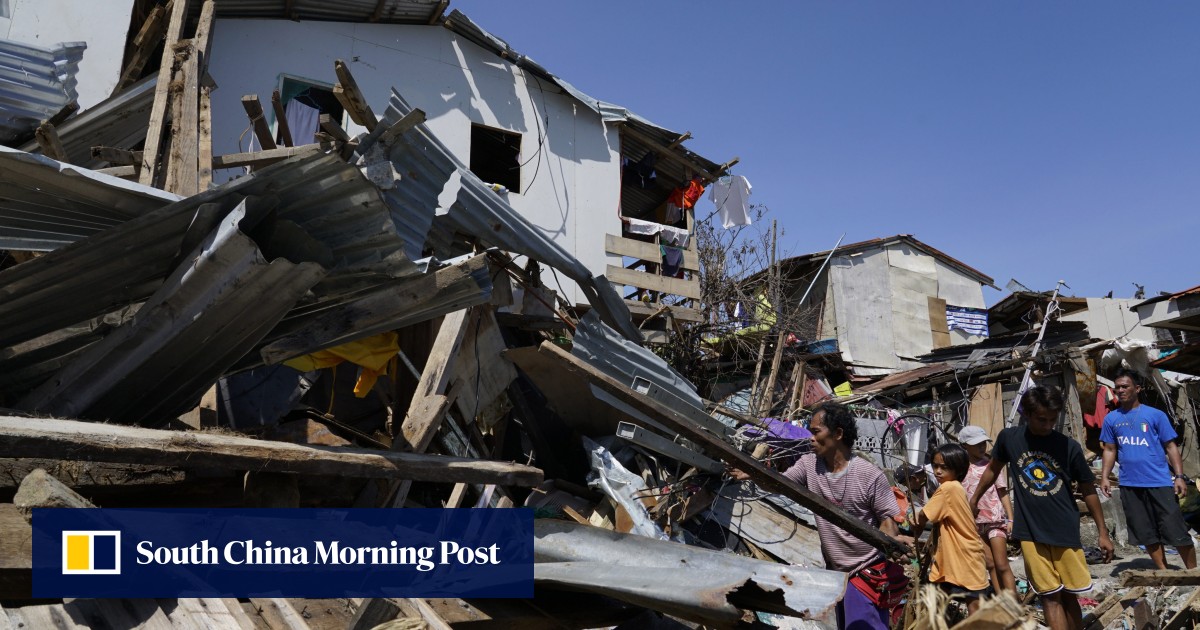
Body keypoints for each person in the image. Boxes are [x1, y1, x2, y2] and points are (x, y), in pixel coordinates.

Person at [732, 402, 908, 629]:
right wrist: (753, 473)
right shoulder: (809, 465)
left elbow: (888, 523)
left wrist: (892, 543)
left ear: (837, 434)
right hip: (836, 575)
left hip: (865, 572)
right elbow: (779, 484)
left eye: (816, 432)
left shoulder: (869, 475)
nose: (810, 438)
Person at [969, 385, 1114, 630]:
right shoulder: (1009, 438)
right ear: (1026, 413)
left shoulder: (1068, 446)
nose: (1047, 425)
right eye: (1041, 419)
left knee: (1070, 594)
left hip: (1064, 529)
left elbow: (1088, 489)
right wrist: (974, 499)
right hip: (1030, 532)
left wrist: (1102, 532)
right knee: (1049, 596)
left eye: (1052, 420)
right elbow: (993, 469)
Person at [1099, 369, 1197, 569]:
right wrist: (1105, 477)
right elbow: (1109, 449)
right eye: (1117, 387)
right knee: (1146, 532)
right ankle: (1164, 572)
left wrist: (1179, 476)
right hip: (1129, 485)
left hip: (1158, 482)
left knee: (1175, 529)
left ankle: (1193, 573)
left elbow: (1171, 447)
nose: (1120, 390)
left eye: (1125, 386)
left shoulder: (1155, 415)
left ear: (1137, 388)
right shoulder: (1111, 419)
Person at [913, 443, 990, 614]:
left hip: (964, 555)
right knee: (950, 599)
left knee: (974, 608)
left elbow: (923, 515)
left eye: (944, 467)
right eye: (935, 466)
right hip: (958, 555)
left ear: (958, 469)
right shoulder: (956, 487)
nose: (938, 471)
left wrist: (912, 522)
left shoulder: (947, 488)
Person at [958, 425, 1017, 594]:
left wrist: (1010, 518)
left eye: (984, 443)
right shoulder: (960, 469)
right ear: (964, 446)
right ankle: (1001, 601)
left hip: (995, 520)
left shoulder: (992, 465)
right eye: (977, 444)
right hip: (974, 523)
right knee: (990, 564)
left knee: (1001, 563)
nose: (982, 447)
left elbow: (1003, 492)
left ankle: (1014, 603)